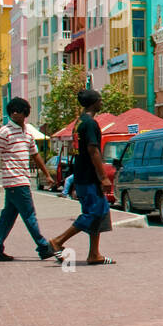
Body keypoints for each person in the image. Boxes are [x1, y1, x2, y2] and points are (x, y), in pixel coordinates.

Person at [0, 97, 58, 262]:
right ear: (11, 113)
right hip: (15, 181)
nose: (18, 115)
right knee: (29, 215)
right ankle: (43, 246)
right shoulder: (4, 132)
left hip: (20, 180)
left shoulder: (27, 132)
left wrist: (46, 173)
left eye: (21, 112)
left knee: (8, 217)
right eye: (15, 112)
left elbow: (35, 154)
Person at [48, 89, 115, 264]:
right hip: (89, 176)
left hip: (81, 175)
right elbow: (93, 150)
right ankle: (58, 241)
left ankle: (94, 254)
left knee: (98, 213)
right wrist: (103, 177)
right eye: (100, 100)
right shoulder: (90, 123)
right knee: (94, 212)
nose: (101, 102)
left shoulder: (79, 122)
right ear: (94, 102)